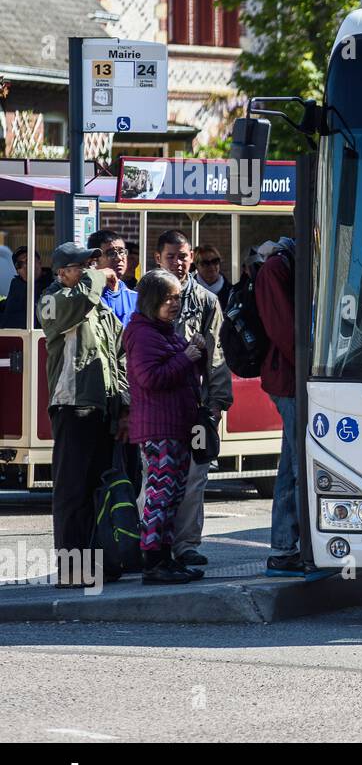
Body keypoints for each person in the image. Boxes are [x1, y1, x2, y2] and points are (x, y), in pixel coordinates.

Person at [42, 242, 130, 587]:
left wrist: (123, 407)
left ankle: (103, 561)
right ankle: (72, 568)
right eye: (83, 265)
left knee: (99, 491)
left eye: (93, 261)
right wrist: (101, 273)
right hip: (72, 407)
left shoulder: (100, 309)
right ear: (62, 272)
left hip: (103, 409)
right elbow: (77, 302)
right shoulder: (53, 300)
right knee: (72, 492)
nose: (92, 268)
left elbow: (119, 358)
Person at [155, 230, 233, 568]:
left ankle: (186, 544)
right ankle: (154, 545)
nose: (178, 262)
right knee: (156, 478)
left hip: (196, 405)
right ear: (158, 258)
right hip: (157, 404)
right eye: (171, 256)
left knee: (194, 477)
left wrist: (217, 403)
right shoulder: (146, 297)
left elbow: (217, 353)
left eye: (184, 256)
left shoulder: (205, 301)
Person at [123, 269, 205, 584]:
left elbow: (182, 369)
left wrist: (196, 353)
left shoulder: (164, 330)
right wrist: (187, 356)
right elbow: (151, 378)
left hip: (176, 426)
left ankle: (166, 558)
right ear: (152, 300)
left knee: (173, 495)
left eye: (177, 298)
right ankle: (154, 562)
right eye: (169, 298)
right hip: (159, 429)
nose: (175, 303)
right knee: (160, 494)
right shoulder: (143, 333)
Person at [255, 236, 304, 575]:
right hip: (290, 380)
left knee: (290, 466)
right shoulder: (278, 266)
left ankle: (284, 548)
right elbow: (284, 330)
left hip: (292, 378)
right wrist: (311, 371)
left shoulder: (290, 262)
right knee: (302, 464)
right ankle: (302, 546)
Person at [89, 228, 138, 328]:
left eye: (122, 252)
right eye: (111, 253)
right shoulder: (85, 295)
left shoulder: (136, 298)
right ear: (94, 259)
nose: (119, 258)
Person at [0, 246, 52, 329]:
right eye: (19, 264)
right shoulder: (16, 285)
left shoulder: (53, 285)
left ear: (39, 262)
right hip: (12, 338)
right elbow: (8, 310)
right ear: (17, 270)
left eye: (29, 260)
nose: (25, 266)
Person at [192, 244, 232, 310]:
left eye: (215, 261)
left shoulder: (232, 292)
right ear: (196, 266)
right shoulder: (189, 291)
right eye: (205, 263)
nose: (211, 266)